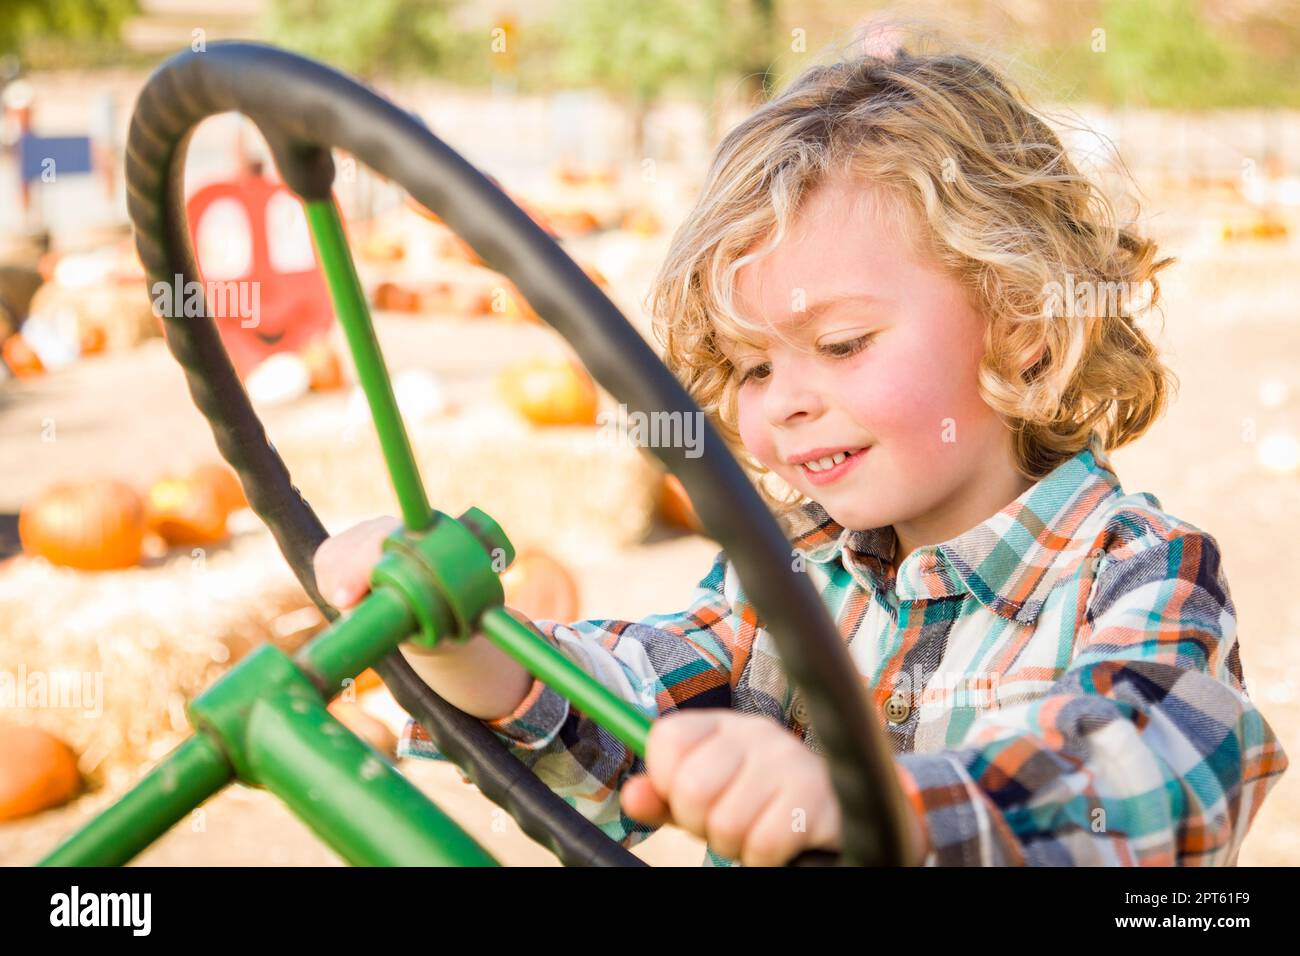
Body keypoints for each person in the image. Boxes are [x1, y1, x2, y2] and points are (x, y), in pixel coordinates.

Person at [312, 31, 1288, 866]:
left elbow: (1147, 785)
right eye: (749, 366)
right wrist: (467, 641)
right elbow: (635, 709)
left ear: (1022, 318)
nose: (785, 406)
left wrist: (870, 806)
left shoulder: (1139, 572)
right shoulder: (795, 566)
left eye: (841, 344)